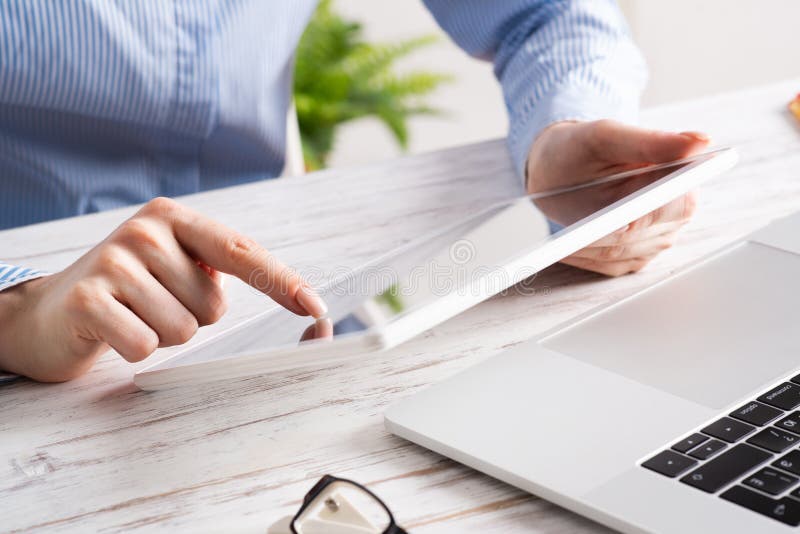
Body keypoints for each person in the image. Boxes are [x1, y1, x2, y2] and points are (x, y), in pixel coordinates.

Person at [0, 1, 709, 383]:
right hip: (40, 368)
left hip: (277, 316)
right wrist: (18, 309)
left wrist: (560, 133)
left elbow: (543, 12)